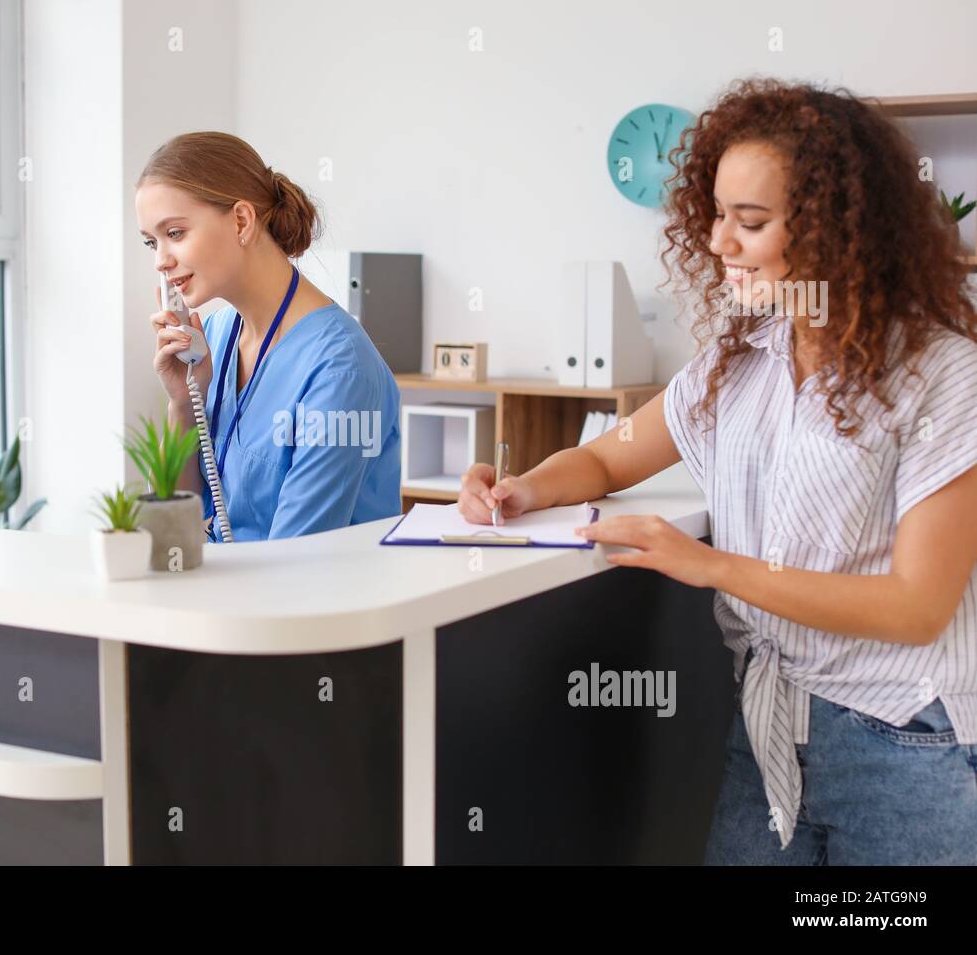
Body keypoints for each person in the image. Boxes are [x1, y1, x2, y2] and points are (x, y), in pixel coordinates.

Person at [458, 78, 977, 864]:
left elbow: (917, 607)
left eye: (751, 221)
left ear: (839, 229)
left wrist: (711, 567)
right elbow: (606, 454)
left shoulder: (944, 374)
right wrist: (520, 488)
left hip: (904, 743)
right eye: (717, 215)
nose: (719, 242)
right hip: (768, 726)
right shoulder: (736, 363)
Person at [137, 131, 401, 542]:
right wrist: (184, 402)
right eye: (151, 242)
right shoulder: (215, 336)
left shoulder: (340, 369)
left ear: (241, 221)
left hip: (302, 583)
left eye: (174, 234)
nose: (160, 261)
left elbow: (295, 561)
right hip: (227, 579)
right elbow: (168, 530)